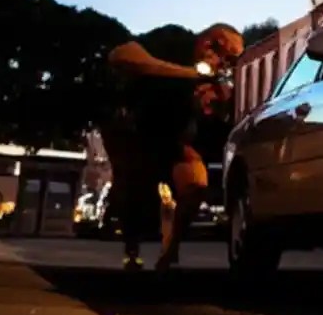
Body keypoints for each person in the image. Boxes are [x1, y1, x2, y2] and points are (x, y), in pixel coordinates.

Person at [101, 24, 242, 271]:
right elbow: (122, 56)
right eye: (224, 54)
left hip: (176, 139)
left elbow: (214, 116)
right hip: (135, 130)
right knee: (131, 185)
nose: (224, 63)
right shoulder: (174, 41)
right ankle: (132, 245)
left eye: (231, 60)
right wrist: (189, 74)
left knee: (196, 183)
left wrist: (217, 100)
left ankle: (171, 247)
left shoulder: (216, 80)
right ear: (208, 42)